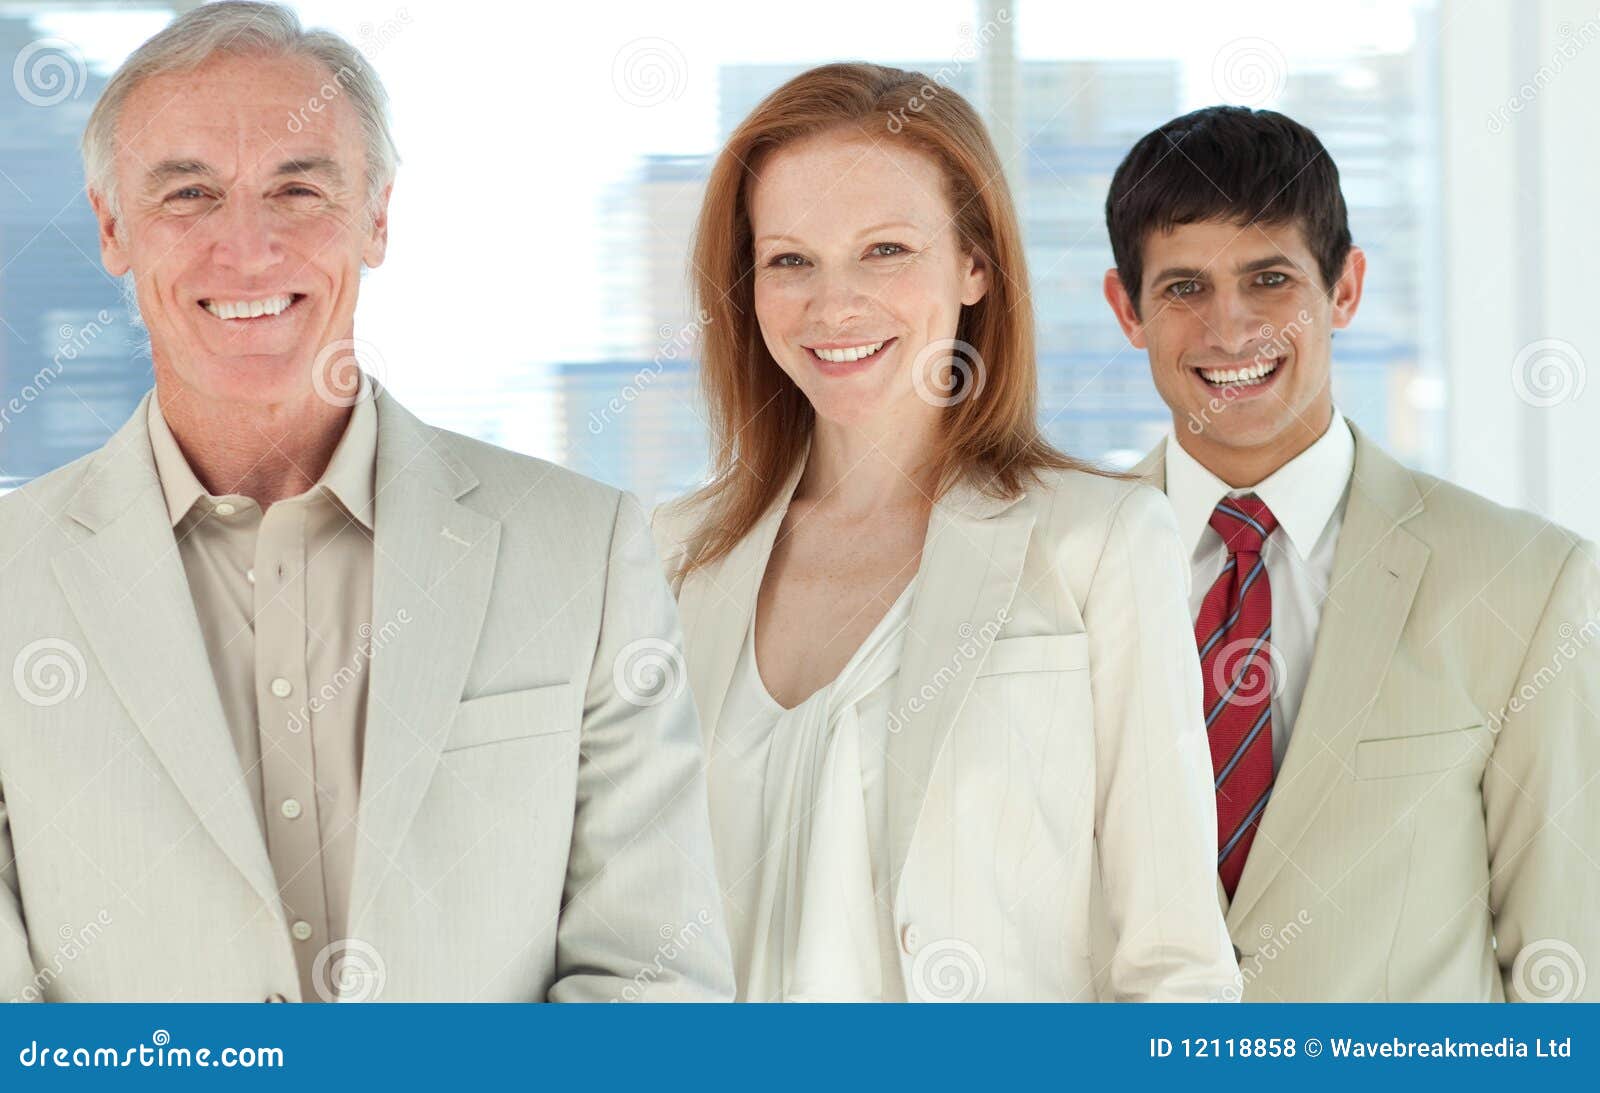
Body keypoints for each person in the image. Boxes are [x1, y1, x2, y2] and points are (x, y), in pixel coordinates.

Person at [0, 1, 732, 1003]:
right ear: (111, 226)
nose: (245, 246)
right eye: (188, 193)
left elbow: (656, 977)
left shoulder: (584, 551)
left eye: (298, 188)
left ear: (378, 215)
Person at [652, 62, 1238, 1002]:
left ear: (976, 265)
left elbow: (1173, 966)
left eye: (885, 249)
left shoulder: (1100, 542)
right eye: (789, 259)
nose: (833, 304)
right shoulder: (673, 559)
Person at [1102, 105, 1600, 1001]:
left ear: (1346, 288)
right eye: (1183, 287)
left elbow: (1569, 966)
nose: (1229, 329)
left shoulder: (1523, 581)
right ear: (1126, 310)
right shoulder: (1052, 569)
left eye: (1269, 279)